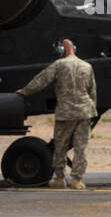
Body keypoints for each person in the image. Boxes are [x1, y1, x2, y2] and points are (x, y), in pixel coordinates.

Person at [16, 39, 97, 189]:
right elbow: (93, 91)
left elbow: (41, 80)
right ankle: (77, 180)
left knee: (61, 146)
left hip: (65, 112)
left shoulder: (58, 65)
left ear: (62, 50)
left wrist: (24, 91)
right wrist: (92, 108)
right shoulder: (87, 66)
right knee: (81, 147)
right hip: (85, 111)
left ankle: (60, 179)